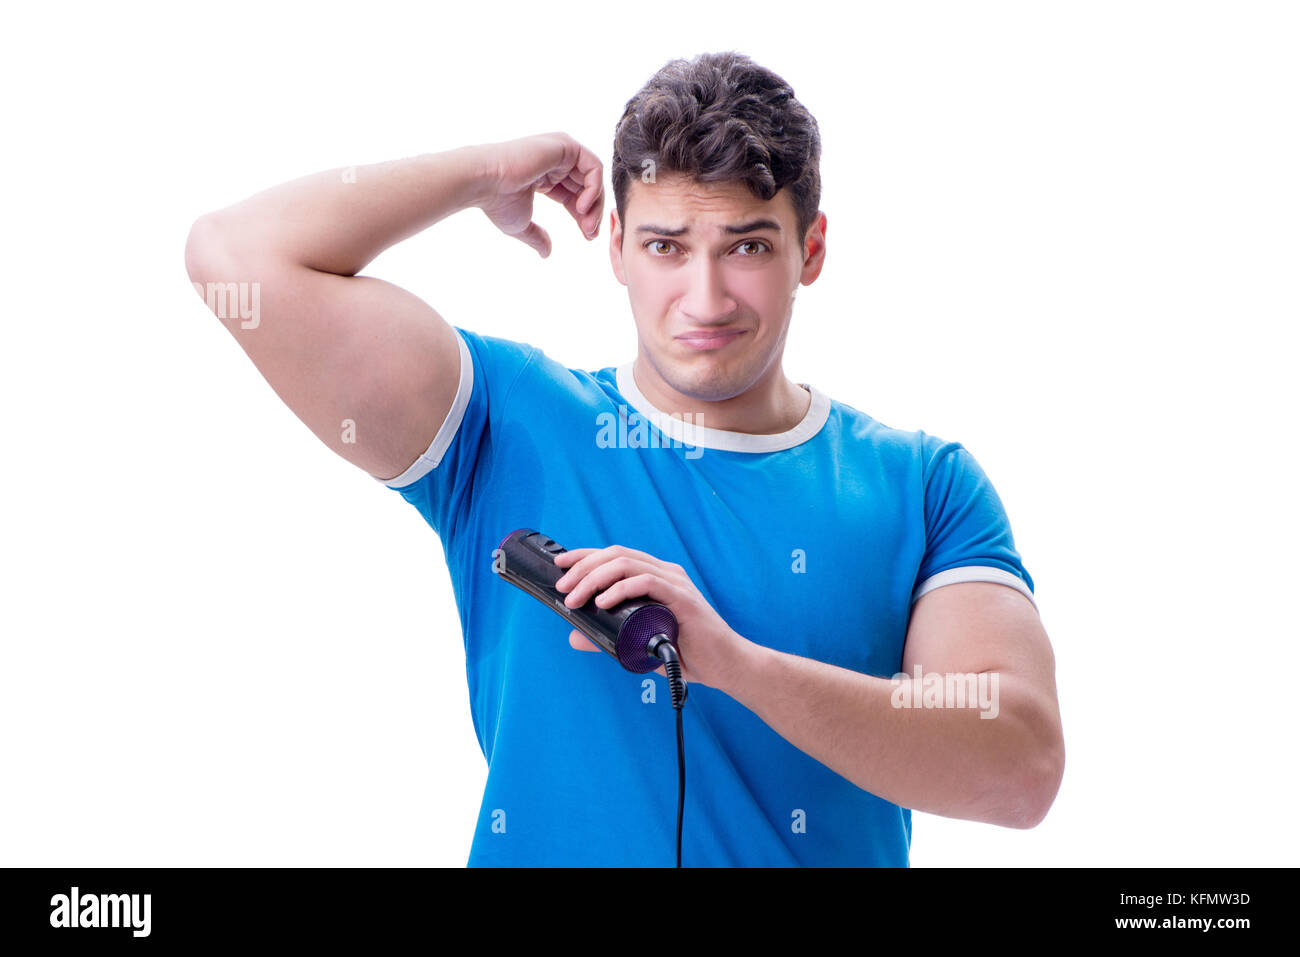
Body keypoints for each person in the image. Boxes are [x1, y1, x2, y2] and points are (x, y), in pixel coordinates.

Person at [185, 50, 1065, 866]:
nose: (705, 296)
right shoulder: (509, 419)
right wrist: (483, 173)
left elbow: (1021, 766)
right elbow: (235, 257)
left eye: (748, 246)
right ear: (615, 248)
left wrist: (732, 662)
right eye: (666, 246)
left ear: (813, 249)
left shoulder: (923, 485)